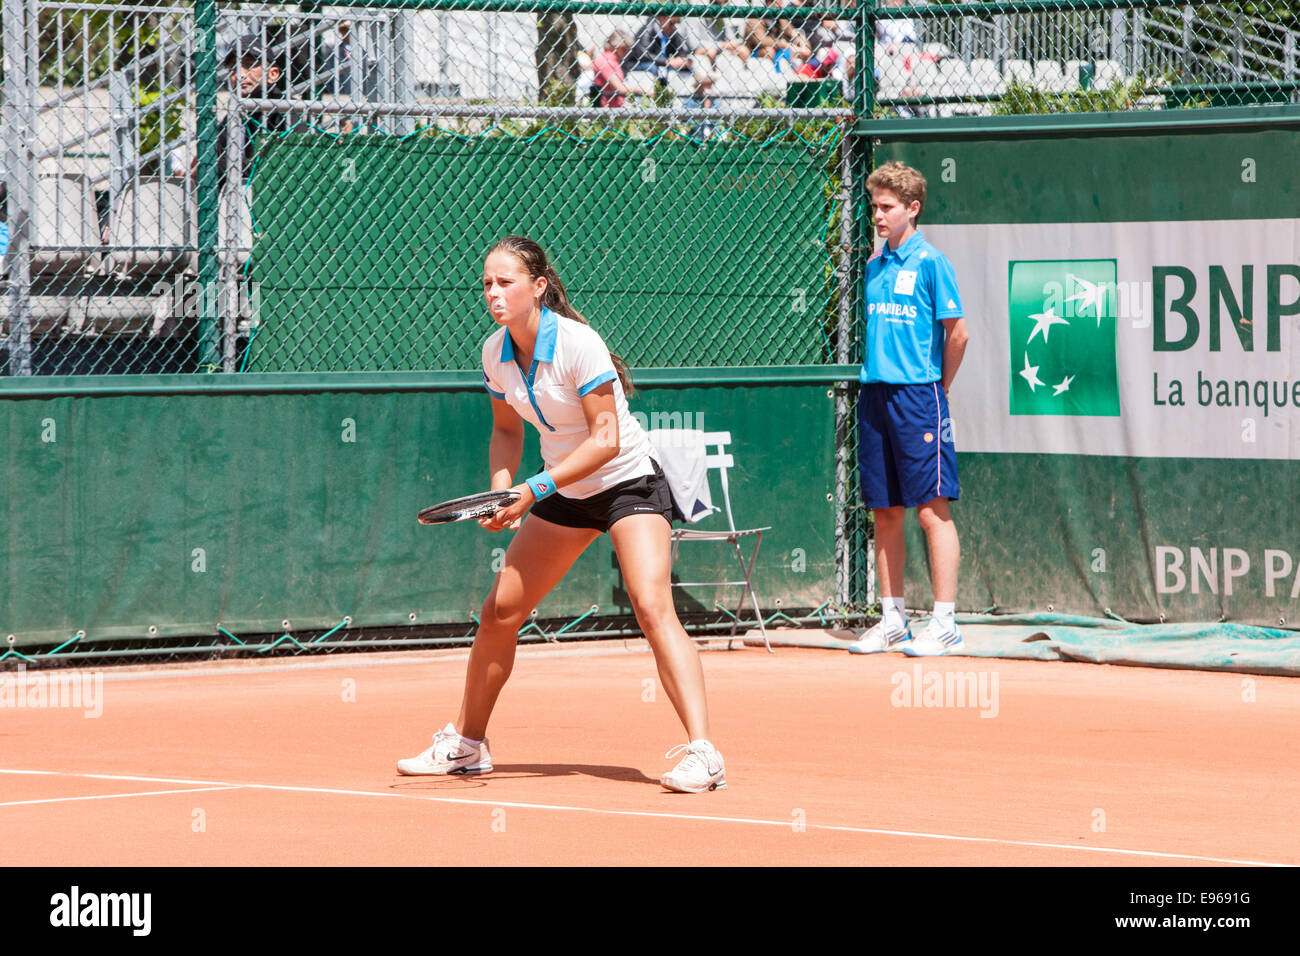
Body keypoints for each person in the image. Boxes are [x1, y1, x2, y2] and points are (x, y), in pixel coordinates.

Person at [396, 235, 727, 794]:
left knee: (651, 606)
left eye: (505, 282)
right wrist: (504, 492)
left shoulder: (578, 343)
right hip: (563, 492)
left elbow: (605, 440)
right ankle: (469, 747)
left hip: (627, 483)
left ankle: (704, 754)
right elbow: (505, 430)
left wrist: (532, 489)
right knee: (500, 611)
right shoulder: (492, 352)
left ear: (538, 287)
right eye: (486, 284)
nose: (493, 293)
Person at [847, 161, 969, 658]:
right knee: (884, 512)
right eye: (874, 206)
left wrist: (938, 388)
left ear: (912, 209)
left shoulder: (932, 262)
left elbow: (957, 333)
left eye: (887, 207)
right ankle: (893, 619)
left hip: (919, 397)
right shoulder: (874, 266)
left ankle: (945, 623)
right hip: (874, 396)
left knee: (931, 512)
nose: (877, 215)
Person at [591, 30, 635, 107]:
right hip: (607, 108)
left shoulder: (612, 59)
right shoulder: (606, 60)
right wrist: (642, 89)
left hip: (615, 107)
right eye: (624, 48)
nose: (626, 51)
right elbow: (619, 88)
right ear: (615, 46)